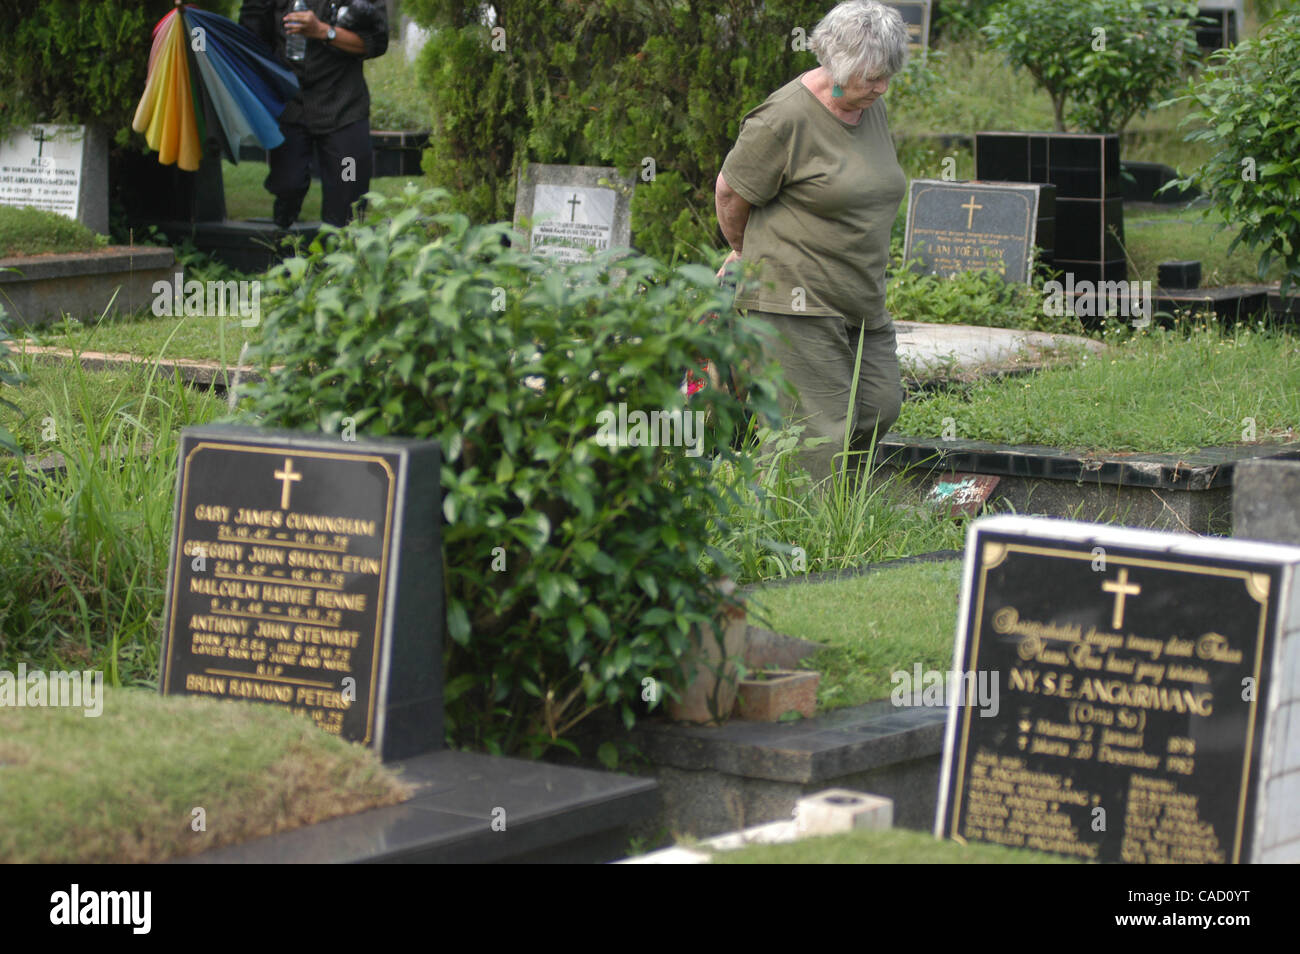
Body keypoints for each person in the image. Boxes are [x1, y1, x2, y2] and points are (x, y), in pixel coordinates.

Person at [715, 0, 909, 484]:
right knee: (816, 433)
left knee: (879, 405)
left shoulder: (870, 105)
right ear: (836, 64)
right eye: (871, 76)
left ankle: (834, 504)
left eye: (886, 75)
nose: (881, 87)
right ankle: (804, 542)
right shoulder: (784, 118)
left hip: (861, 295)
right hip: (795, 295)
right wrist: (745, 251)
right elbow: (730, 193)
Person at [239, 0, 389, 228]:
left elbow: (376, 43)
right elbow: (249, 38)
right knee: (288, 185)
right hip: (290, 105)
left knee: (348, 188)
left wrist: (323, 31)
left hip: (342, 105)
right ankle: (284, 246)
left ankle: (344, 258)